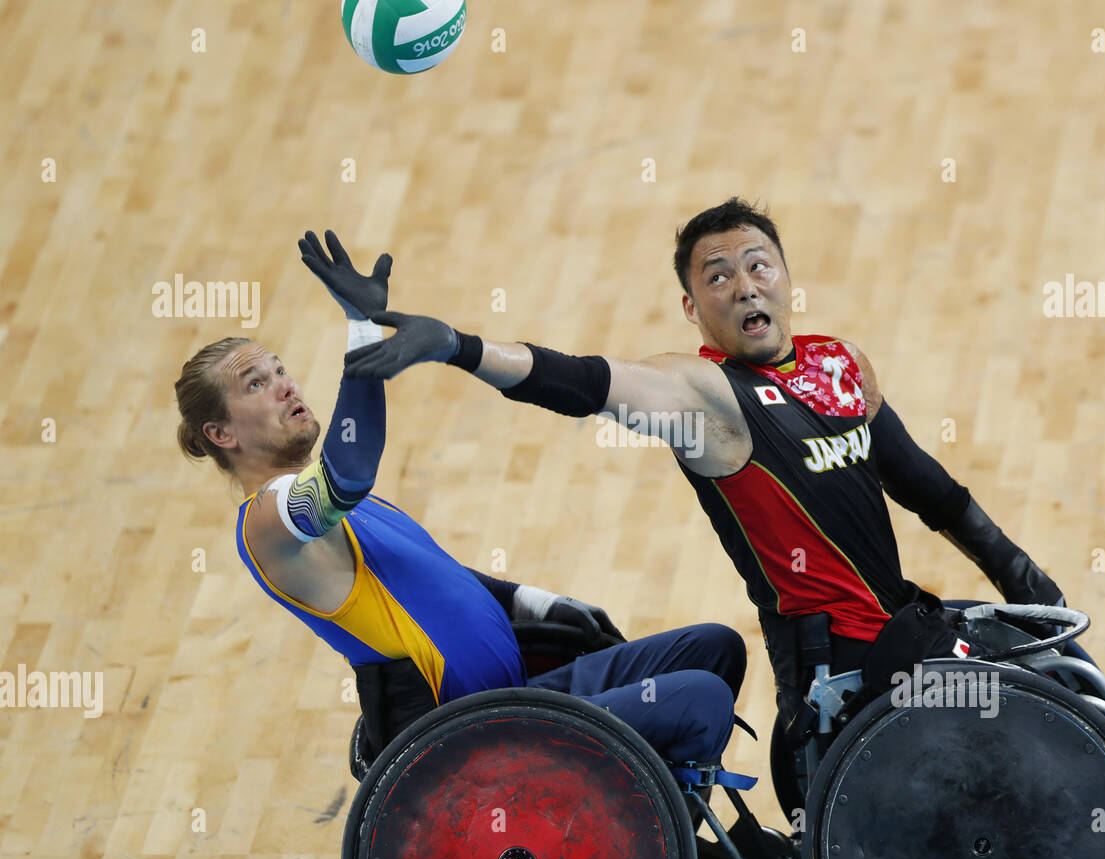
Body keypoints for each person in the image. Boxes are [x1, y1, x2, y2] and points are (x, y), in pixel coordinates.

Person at [317, 199, 1068, 727]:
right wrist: (457, 345)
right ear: (692, 308)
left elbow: (924, 486)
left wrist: (1012, 566)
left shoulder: (838, 365)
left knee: (1057, 668)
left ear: (785, 279)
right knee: (1036, 714)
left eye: (758, 265)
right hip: (844, 677)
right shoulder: (703, 397)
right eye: (717, 276)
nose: (744, 285)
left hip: (905, 628)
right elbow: (583, 382)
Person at [172, 232, 746, 773]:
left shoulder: (354, 510)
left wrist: (541, 604)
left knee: (713, 649)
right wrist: (363, 327)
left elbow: (444, 581)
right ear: (222, 434)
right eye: (255, 384)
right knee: (697, 696)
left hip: (524, 696)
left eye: (281, 370)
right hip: (477, 741)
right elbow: (347, 471)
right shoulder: (267, 525)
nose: (286, 386)